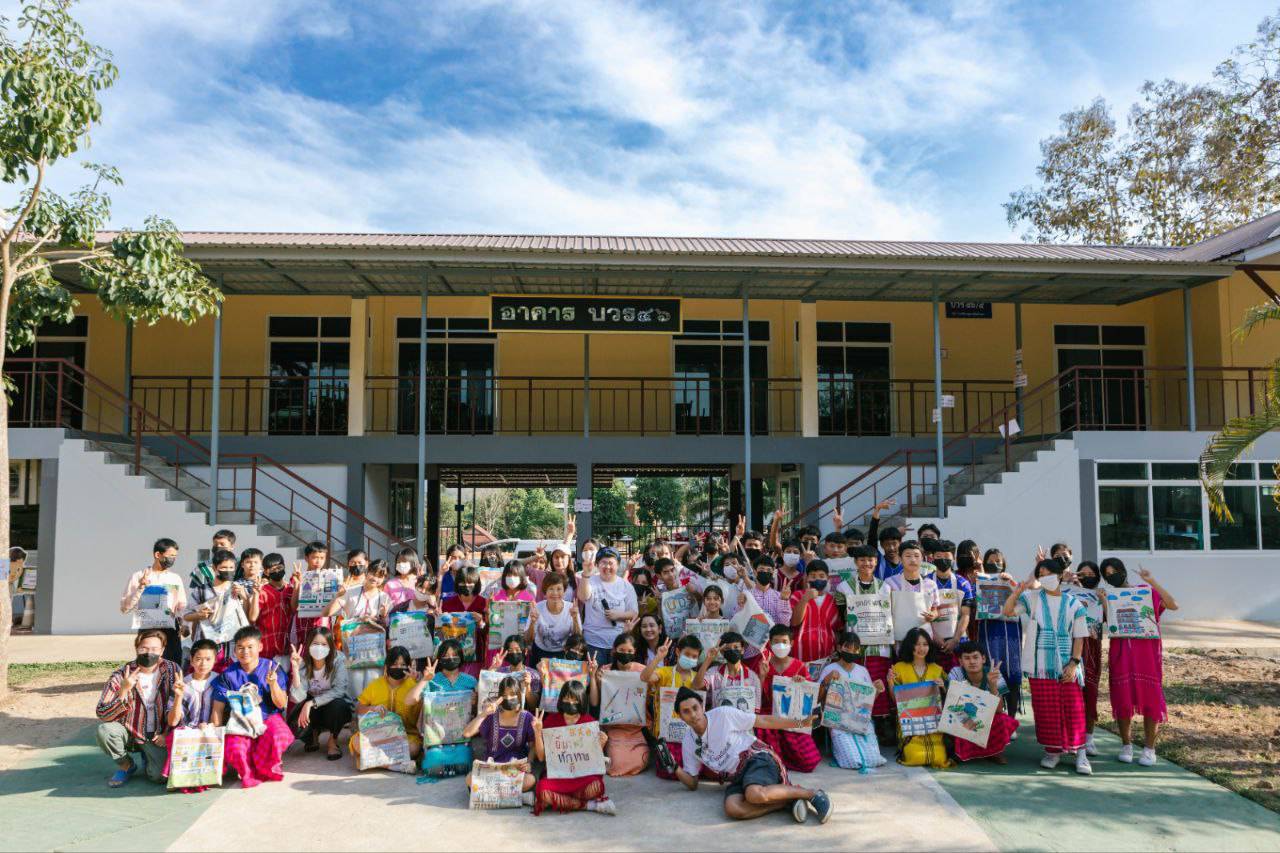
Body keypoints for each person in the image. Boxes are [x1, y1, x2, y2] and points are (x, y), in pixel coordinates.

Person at [673, 688, 833, 824]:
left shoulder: (723, 714)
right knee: (733, 808)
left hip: (757, 758)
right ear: (680, 716)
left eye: (695, 708)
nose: (693, 714)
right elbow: (693, 783)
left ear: (702, 706)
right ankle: (785, 801)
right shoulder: (688, 741)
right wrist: (674, 768)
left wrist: (800, 723)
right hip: (738, 776)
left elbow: (763, 720)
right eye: (686, 712)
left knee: (754, 795)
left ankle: (812, 794)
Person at [1002, 558, 1092, 775]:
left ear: (1060, 574)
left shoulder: (1074, 604)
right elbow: (1008, 612)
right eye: (1040, 574)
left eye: (1048, 573)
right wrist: (1016, 592)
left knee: (1074, 709)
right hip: (1039, 666)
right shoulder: (1031, 598)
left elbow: (1079, 637)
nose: (1044, 577)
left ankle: (1081, 753)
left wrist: (1074, 663)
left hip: (1067, 665)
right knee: (1045, 710)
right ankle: (1053, 752)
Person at [1101, 558, 1178, 767]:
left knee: (1151, 698)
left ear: (1123, 571)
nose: (1112, 575)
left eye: (1114, 571)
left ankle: (1149, 748)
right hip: (1121, 653)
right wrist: (1104, 601)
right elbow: (1111, 624)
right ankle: (1126, 745)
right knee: (1122, 699)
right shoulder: (1110, 596)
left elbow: (1173, 605)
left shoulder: (1145, 591)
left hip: (1146, 655)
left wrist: (1152, 581)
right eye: (1107, 574)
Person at [211, 625, 293, 788]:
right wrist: (216, 735)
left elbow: (282, 703)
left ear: (260, 647)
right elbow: (217, 709)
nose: (245, 651)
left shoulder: (272, 668)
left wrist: (273, 684)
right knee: (234, 748)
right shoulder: (227, 675)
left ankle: (267, 767)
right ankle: (247, 773)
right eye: (240, 648)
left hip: (268, 717)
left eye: (250, 647)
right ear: (234, 650)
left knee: (280, 735)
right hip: (240, 721)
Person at [95, 629, 181, 787]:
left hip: (156, 735)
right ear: (137, 648)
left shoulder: (172, 670)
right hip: (129, 731)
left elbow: (176, 708)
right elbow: (102, 713)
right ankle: (126, 765)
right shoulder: (122, 674)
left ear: (162, 650)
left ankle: (148, 756)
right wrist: (124, 690)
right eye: (144, 649)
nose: (149, 653)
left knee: (159, 777)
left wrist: (166, 732)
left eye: (155, 649)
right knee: (105, 731)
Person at [532, 682, 615, 815]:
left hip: (582, 775)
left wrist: (601, 744)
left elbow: (593, 759)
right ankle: (588, 805)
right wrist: (537, 732)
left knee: (597, 786)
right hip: (558, 776)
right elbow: (541, 757)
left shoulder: (589, 722)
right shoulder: (550, 721)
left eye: (575, 699)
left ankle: (564, 801)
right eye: (566, 698)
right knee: (542, 790)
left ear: (582, 701)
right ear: (561, 699)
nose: (570, 702)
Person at [840, 545, 895, 743]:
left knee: (878, 682)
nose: (867, 563)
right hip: (855, 647)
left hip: (879, 646)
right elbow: (841, 618)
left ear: (876, 562)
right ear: (855, 563)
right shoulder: (844, 587)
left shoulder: (885, 587)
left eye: (871, 560)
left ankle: (880, 724)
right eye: (862, 560)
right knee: (856, 684)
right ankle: (856, 722)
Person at [817, 630, 887, 771]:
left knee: (874, 759)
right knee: (851, 760)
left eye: (855, 648)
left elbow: (868, 701)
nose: (851, 651)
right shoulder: (830, 669)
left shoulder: (862, 671)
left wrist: (877, 691)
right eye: (847, 647)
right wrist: (826, 680)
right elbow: (817, 698)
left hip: (860, 720)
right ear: (839, 647)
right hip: (837, 721)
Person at [756, 624, 821, 772]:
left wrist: (802, 683)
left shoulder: (800, 666)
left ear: (791, 643)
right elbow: (756, 698)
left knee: (808, 762)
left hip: (793, 718)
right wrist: (761, 676)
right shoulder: (763, 665)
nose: (780, 645)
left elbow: (810, 697)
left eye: (784, 641)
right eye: (776, 641)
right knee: (769, 759)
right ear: (770, 644)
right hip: (769, 717)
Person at [462, 675, 537, 804]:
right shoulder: (492, 716)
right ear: (500, 697)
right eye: (505, 695)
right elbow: (467, 733)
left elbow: (533, 746)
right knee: (469, 778)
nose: (508, 698)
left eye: (512, 694)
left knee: (530, 780)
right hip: (492, 770)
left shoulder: (527, 717)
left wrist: (529, 762)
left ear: (519, 695)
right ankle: (518, 797)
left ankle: (487, 796)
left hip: (514, 770)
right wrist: (484, 714)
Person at [349, 645, 425, 769]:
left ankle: (372, 761)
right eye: (395, 664)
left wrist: (419, 681)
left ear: (409, 666)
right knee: (357, 743)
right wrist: (372, 709)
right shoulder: (375, 685)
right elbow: (359, 708)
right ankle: (394, 765)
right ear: (387, 665)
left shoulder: (413, 685)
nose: (399, 668)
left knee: (414, 748)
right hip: (376, 734)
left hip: (405, 736)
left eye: (403, 664)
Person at [641, 633, 706, 779]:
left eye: (694, 656)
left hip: (690, 735)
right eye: (687, 654)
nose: (690, 659)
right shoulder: (664, 672)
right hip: (666, 737)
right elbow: (644, 677)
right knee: (668, 772)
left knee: (696, 770)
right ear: (677, 652)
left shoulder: (697, 677)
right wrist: (658, 657)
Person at [947, 640, 1019, 764]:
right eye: (967, 658)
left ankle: (995, 752)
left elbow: (998, 709)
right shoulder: (956, 672)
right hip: (963, 714)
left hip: (987, 715)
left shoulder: (995, 674)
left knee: (1002, 719)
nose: (972, 661)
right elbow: (954, 704)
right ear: (960, 662)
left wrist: (992, 686)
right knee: (957, 717)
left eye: (976, 657)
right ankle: (964, 751)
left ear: (983, 659)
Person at [287, 625, 352, 761]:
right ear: (309, 645)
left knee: (339, 706)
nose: (319, 647)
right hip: (314, 707)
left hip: (331, 705)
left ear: (330, 646)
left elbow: (339, 691)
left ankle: (332, 740)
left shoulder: (338, 660)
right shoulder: (304, 663)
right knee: (294, 723)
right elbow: (297, 697)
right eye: (315, 643)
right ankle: (313, 735)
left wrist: (311, 703)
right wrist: (295, 669)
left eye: (324, 644)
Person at [888, 627, 950, 768]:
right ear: (910, 646)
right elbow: (895, 700)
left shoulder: (937, 669)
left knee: (939, 757)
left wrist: (943, 686)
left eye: (925, 644)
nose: (921, 648)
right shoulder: (898, 668)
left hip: (934, 725)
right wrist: (890, 682)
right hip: (909, 726)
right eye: (917, 644)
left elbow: (950, 697)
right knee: (915, 756)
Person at [120, 538, 188, 666]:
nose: (173, 559)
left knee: (173, 665)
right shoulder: (139, 576)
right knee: (149, 665)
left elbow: (182, 605)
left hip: (170, 630)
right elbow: (125, 608)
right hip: (147, 629)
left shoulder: (175, 578)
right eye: (170, 556)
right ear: (158, 555)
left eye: (175, 556)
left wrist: (184, 624)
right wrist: (141, 588)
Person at [590, 632, 650, 776]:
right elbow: (594, 702)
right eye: (621, 650)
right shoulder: (605, 670)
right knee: (616, 765)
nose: (625, 654)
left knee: (641, 759)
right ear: (614, 650)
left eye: (629, 651)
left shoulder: (642, 671)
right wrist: (593, 678)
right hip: (613, 727)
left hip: (635, 728)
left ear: (635, 652)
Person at [163, 638, 219, 792]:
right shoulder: (183, 684)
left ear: (215, 660)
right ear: (192, 661)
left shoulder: (220, 681)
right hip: (187, 730)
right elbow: (173, 721)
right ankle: (179, 776)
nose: (203, 664)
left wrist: (209, 725)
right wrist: (179, 696)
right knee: (176, 737)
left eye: (208, 659)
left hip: (211, 729)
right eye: (198, 659)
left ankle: (199, 777)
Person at [183, 548, 251, 669]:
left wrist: (245, 597)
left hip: (232, 645)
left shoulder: (237, 588)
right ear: (214, 568)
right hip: (207, 644)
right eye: (224, 568)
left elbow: (247, 615)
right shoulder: (201, 590)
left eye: (231, 568)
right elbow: (187, 615)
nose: (228, 571)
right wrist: (199, 615)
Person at [577, 547, 638, 663]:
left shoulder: (626, 586)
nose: (607, 567)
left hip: (617, 644)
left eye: (611, 563)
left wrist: (618, 615)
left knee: (613, 679)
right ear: (597, 564)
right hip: (592, 642)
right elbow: (583, 597)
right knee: (595, 677)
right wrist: (585, 574)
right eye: (603, 563)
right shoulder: (590, 581)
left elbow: (634, 613)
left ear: (618, 565)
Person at [1068, 560, 1104, 756]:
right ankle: (1072, 737)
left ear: (1097, 577)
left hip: (1091, 648)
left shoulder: (1100, 596)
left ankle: (1089, 738)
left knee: (1090, 693)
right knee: (1071, 693)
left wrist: (1103, 600)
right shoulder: (1067, 592)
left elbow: (1111, 619)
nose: (1086, 578)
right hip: (1070, 646)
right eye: (1082, 575)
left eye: (1091, 575)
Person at [930, 540, 974, 670]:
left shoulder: (963, 584)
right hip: (933, 642)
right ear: (932, 558)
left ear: (953, 558)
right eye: (938, 557)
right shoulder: (926, 582)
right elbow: (923, 615)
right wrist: (935, 638)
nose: (943, 560)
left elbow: (966, 614)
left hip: (959, 641)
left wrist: (955, 639)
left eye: (946, 557)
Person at [883, 541, 941, 640]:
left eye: (917, 556)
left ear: (922, 558)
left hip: (924, 639)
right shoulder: (890, 583)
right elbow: (884, 612)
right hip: (898, 637)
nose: (913, 559)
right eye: (908, 556)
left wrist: (933, 615)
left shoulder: (931, 585)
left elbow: (935, 609)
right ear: (900, 558)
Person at [743, 560, 793, 674]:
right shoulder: (746, 595)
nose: (765, 572)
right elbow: (738, 622)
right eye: (761, 570)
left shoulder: (779, 596)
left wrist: (784, 600)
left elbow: (784, 625)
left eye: (769, 570)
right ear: (755, 572)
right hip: (752, 651)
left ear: (774, 573)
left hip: (774, 650)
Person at [251, 551, 297, 669]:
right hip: (265, 649)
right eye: (272, 568)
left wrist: (297, 586)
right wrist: (256, 595)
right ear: (266, 571)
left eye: (280, 567)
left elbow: (294, 609)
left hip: (287, 648)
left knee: (284, 684)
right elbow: (252, 618)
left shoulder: (290, 590)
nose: (277, 571)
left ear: (284, 567)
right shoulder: (262, 591)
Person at [789, 559, 840, 664]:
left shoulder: (833, 600)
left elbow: (837, 629)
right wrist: (805, 599)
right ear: (807, 578)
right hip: (801, 654)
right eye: (813, 576)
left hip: (827, 656)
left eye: (821, 576)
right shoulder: (797, 596)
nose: (817, 579)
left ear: (828, 578)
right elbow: (794, 622)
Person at [443, 565, 489, 676]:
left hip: (476, 655)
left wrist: (481, 622)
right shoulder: (447, 604)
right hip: (453, 656)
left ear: (476, 584)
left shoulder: (484, 603)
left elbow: (488, 632)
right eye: (462, 583)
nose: (466, 586)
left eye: (470, 583)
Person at [702, 631, 762, 714]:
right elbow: (696, 686)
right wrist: (708, 659)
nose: (732, 650)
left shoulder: (753, 678)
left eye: (736, 647)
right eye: (728, 648)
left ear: (742, 650)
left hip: (744, 726)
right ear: (722, 652)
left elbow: (755, 712)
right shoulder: (713, 673)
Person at [527, 572, 580, 664]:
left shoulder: (571, 608)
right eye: (551, 589)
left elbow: (578, 638)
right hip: (540, 653)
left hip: (563, 654)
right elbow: (528, 639)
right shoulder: (537, 608)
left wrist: (575, 619)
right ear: (545, 591)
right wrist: (532, 622)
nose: (555, 593)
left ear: (564, 591)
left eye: (559, 589)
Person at [495, 633, 543, 710]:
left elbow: (533, 706)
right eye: (510, 650)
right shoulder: (499, 672)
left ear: (525, 651)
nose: (514, 653)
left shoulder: (534, 675)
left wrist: (528, 687)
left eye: (517, 650)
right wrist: (493, 668)